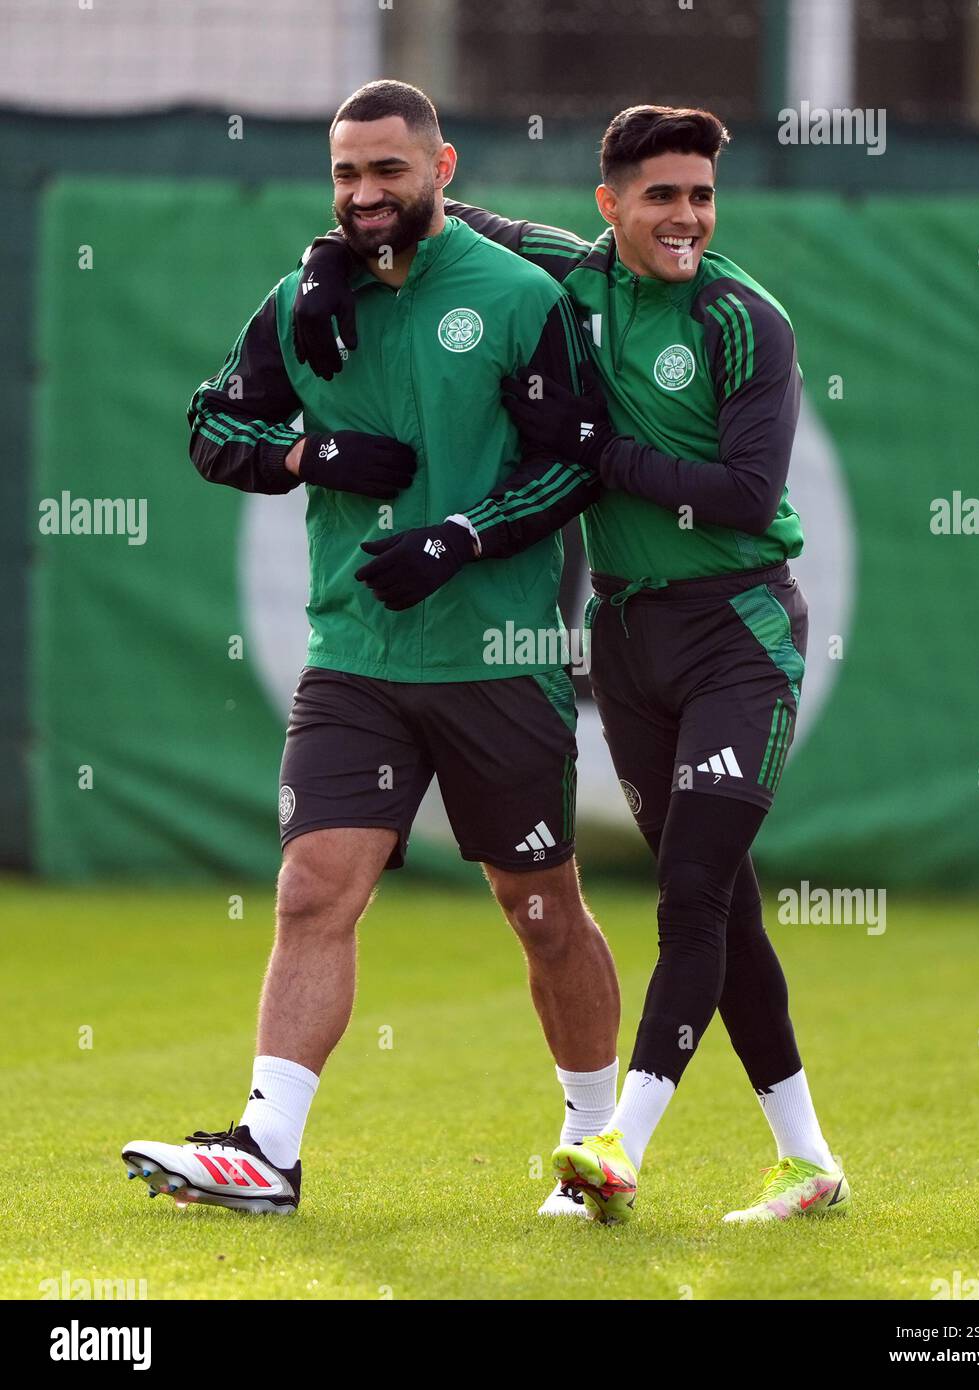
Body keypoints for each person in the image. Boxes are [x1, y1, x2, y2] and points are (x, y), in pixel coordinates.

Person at [295, 103, 849, 1226]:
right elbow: (408, 214)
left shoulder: (749, 319)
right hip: (628, 637)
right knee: (723, 906)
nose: (685, 217)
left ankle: (612, 1147)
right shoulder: (568, 273)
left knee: (689, 891)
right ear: (610, 205)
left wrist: (601, 451)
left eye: (701, 194)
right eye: (661, 196)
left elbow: (745, 495)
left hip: (739, 630)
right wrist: (317, 265)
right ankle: (810, 1160)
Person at [120, 80, 621, 1217]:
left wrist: (461, 534)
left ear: (442, 170)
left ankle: (597, 1145)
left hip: (499, 657)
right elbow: (214, 425)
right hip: (356, 658)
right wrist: (307, 458)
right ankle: (269, 1149)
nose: (363, 194)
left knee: (541, 910)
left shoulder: (517, 293)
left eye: (388, 170)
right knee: (311, 891)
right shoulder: (302, 300)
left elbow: (576, 461)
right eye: (345, 174)